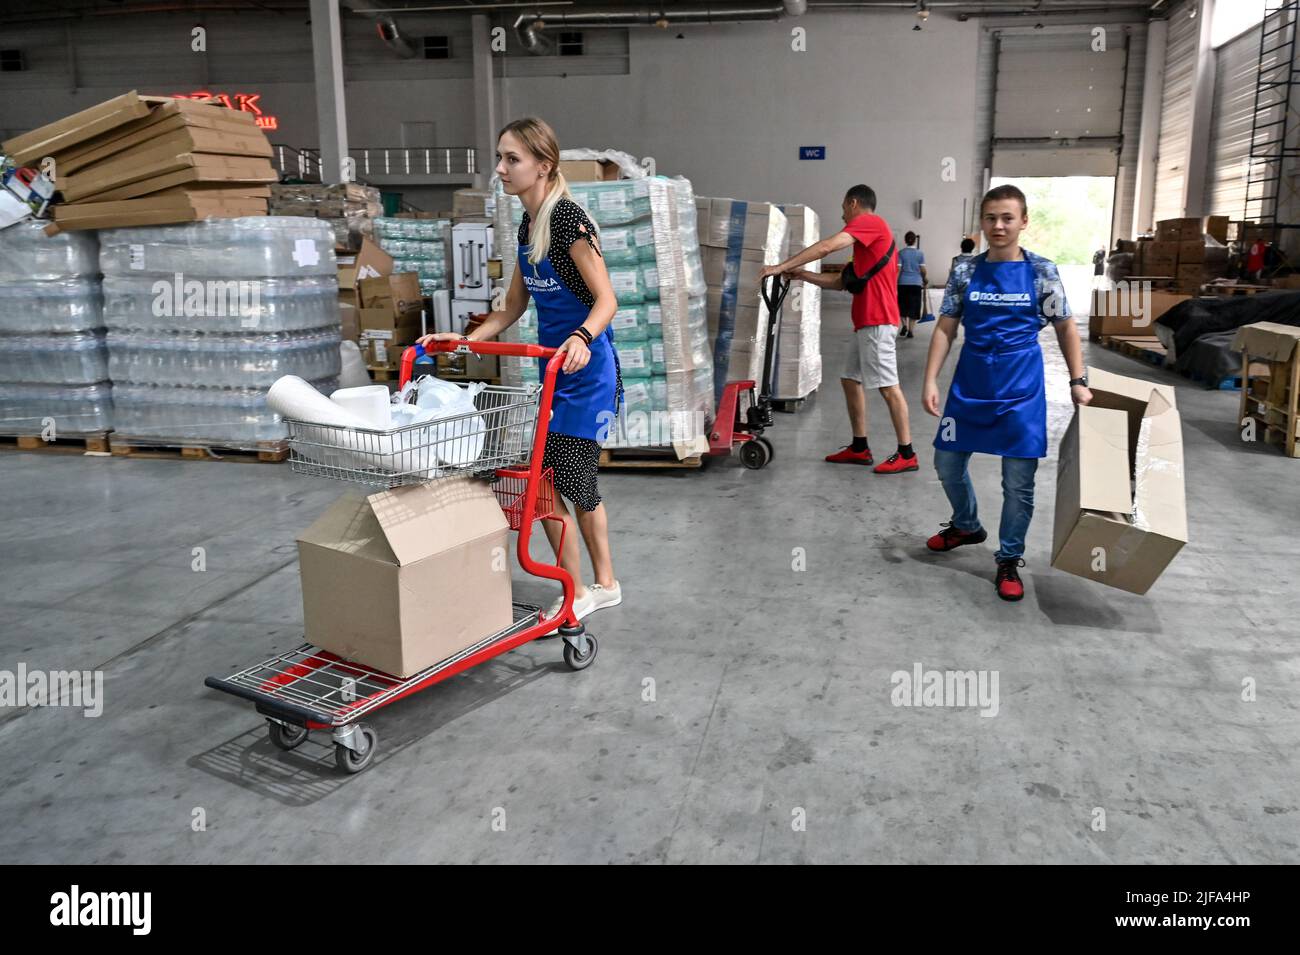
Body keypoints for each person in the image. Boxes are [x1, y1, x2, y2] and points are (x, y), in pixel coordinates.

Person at [417, 117, 622, 630]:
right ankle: (573, 589)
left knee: (574, 479)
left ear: (543, 166)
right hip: (553, 373)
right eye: (501, 158)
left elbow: (607, 300)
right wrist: (464, 341)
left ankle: (604, 584)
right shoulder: (529, 227)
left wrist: (580, 338)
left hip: (587, 369)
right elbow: (510, 307)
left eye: (513, 159)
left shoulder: (570, 221)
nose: (501, 170)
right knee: (544, 486)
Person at [921, 183, 1093, 602]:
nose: (998, 226)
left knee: (1018, 482)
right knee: (946, 463)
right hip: (971, 384)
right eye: (991, 218)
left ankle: (1008, 558)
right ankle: (966, 524)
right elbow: (946, 326)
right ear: (981, 222)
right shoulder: (964, 269)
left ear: (1023, 221)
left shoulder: (1041, 271)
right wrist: (930, 379)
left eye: (1007, 218)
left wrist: (1078, 380)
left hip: (1021, 389)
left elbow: (1065, 326)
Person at [759, 184, 917, 474]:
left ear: (853, 203)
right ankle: (860, 447)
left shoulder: (869, 223)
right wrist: (802, 275)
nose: (843, 217)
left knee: (888, 387)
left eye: (844, 209)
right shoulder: (866, 246)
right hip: (865, 324)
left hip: (878, 321)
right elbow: (841, 283)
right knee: (849, 379)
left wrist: (780, 266)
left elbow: (827, 246)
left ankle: (907, 453)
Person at [897, 231, 927, 339]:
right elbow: (923, 270)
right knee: (914, 307)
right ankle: (910, 330)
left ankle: (904, 325)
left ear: (905, 241)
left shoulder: (900, 253)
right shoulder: (920, 253)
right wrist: (924, 279)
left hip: (902, 283)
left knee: (902, 305)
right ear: (915, 240)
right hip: (916, 284)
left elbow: (898, 269)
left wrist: (895, 282)